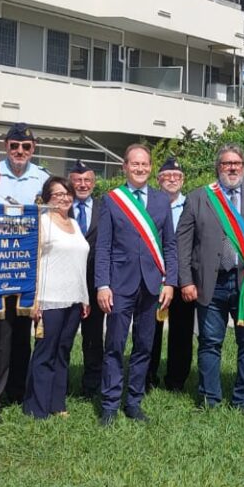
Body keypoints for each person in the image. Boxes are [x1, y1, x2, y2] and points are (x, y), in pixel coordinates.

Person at [176, 143, 244, 411]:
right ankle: (210, 400)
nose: (232, 168)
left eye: (236, 163)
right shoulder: (198, 197)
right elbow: (183, 243)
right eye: (226, 164)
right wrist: (186, 280)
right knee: (209, 343)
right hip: (210, 282)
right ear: (218, 167)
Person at [94, 144, 178, 425]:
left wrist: (170, 282)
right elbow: (103, 247)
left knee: (144, 346)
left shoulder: (161, 200)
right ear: (125, 167)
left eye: (144, 164)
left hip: (153, 285)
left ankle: (134, 402)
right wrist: (102, 285)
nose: (140, 169)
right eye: (134, 164)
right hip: (119, 284)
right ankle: (109, 404)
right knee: (115, 345)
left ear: (150, 167)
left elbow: (170, 245)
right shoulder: (112, 200)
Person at [25, 177, 90, 419]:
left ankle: (57, 403)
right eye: (57, 194)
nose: (64, 198)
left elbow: (78, 262)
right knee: (45, 352)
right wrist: (34, 301)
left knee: (63, 351)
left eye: (67, 193)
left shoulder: (73, 223)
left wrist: (84, 297)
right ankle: (37, 407)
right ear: (46, 198)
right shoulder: (42, 223)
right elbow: (32, 263)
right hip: (48, 299)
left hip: (74, 298)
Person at [0, 122, 49, 405]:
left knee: (21, 331)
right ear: (6, 146)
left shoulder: (43, 179)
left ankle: (17, 390)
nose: (20, 151)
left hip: (29, 264)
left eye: (26, 147)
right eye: (14, 146)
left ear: (33, 149)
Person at [147, 157, 193, 391]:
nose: (172, 180)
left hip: (184, 278)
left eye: (177, 176)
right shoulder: (150, 203)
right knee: (151, 330)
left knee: (182, 331)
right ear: (158, 180)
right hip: (156, 276)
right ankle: (148, 376)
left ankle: (176, 380)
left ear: (183, 180)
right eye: (167, 176)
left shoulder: (192, 204)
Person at [67, 159, 105, 397]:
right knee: (62, 337)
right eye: (78, 180)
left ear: (94, 182)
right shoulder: (59, 207)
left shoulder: (105, 207)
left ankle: (91, 387)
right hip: (65, 284)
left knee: (93, 339)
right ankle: (59, 385)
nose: (83, 184)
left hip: (94, 284)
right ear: (70, 182)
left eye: (87, 180)